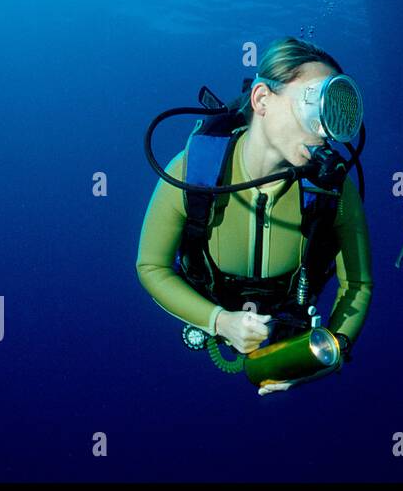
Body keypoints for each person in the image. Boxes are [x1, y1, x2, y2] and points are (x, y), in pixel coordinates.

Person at [137, 37, 372, 395]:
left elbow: (358, 285)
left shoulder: (335, 192)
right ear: (262, 99)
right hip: (206, 313)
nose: (324, 133)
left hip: (288, 323)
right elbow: (151, 266)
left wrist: (329, 355)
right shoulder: (192, 172)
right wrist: (219, 321)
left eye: (333, 116)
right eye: (312, 107)